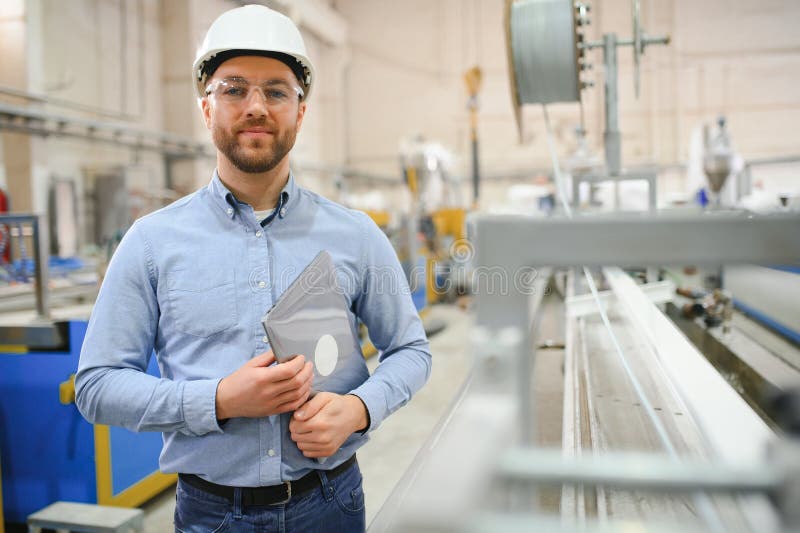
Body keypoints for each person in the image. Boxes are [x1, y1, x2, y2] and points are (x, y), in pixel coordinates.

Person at [75, 5, 432, 532]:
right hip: (212, 515)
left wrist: (359, 409)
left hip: (330, 503)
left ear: (301, 112)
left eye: (276, 91)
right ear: (206, 108)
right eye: (235, 89)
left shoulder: (355, 236)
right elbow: (97, 385)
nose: (256, 107)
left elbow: (411, 350)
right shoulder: (152, 243)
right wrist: (218, 400)